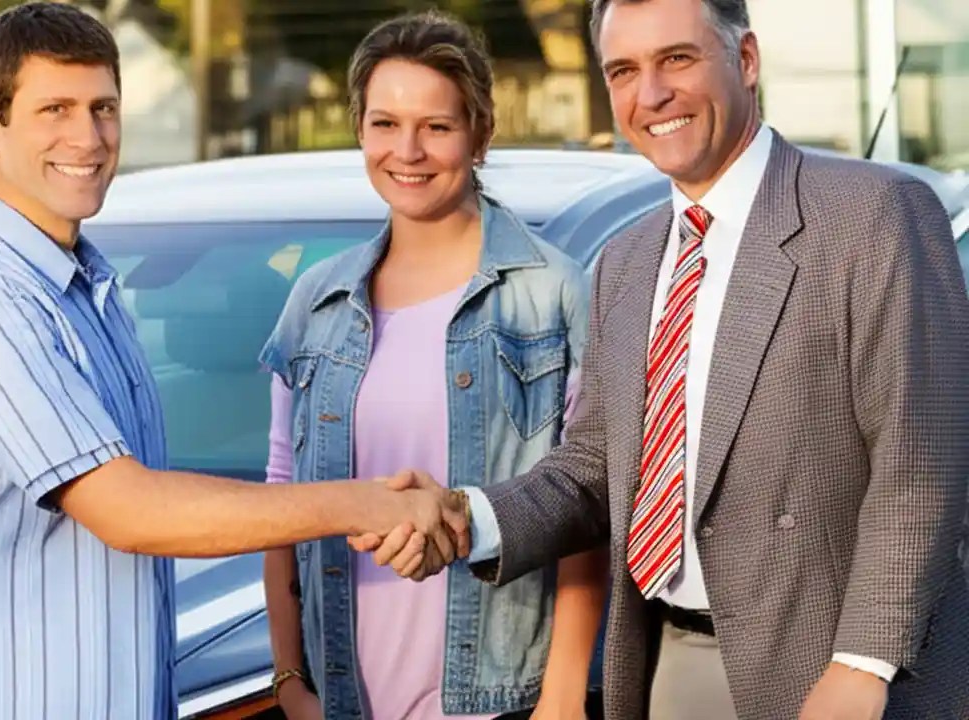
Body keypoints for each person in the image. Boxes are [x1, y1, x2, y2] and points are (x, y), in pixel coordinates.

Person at [358, 0, 969, 718]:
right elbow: (591, 471)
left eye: (676, 59)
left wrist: (862, 664)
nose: (651, 95)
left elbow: (923, 463)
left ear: (745, 60)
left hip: (837, 674)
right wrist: (468, 516)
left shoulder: (874, 215)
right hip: (668, 668)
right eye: (624, 70)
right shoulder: (627, 260)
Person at [0, 4, 468, 719]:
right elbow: (128, 510)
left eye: (103, 107)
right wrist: (363, 500)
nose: (88, 137)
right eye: (54, 110)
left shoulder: (86, 290)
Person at [257, 10, 607, 720]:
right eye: (385, 123)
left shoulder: (554, 292)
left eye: (437, 127)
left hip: (502, 702)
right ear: (359, 129)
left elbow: (589, 506)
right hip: (341, 702)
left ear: (481, 134)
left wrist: (564, 699)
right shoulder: (315, 301)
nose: (407, 150)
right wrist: (290, 681)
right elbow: (281, 501)